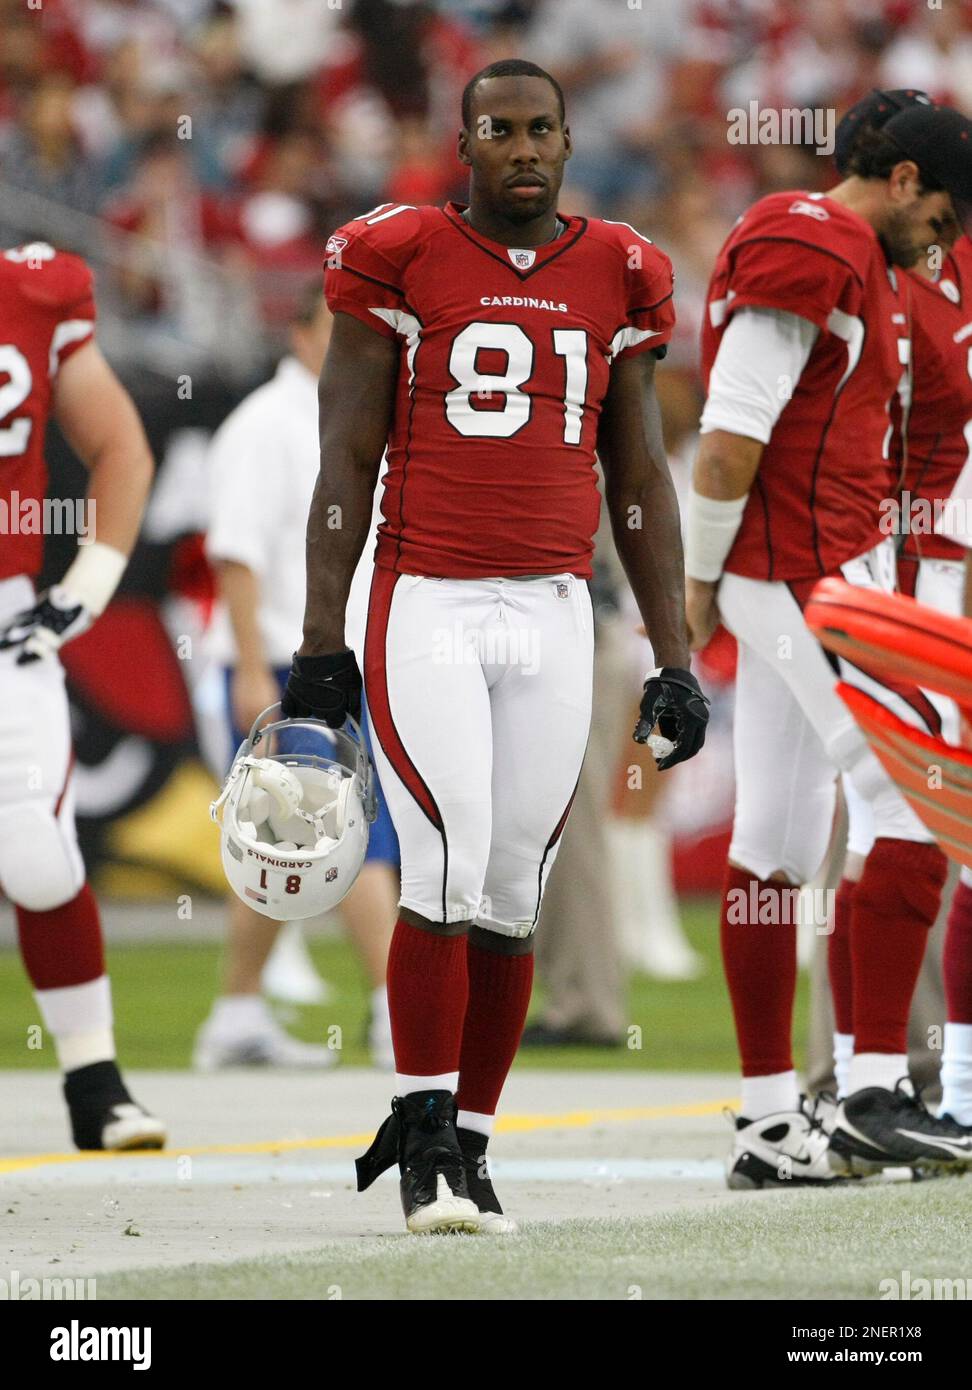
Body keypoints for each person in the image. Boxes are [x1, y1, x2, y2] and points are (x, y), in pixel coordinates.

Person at [281, 58, 709, 1234]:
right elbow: (344, 460)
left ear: (569, 143)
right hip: (431, 595)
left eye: (541, 130)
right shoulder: (400, 252)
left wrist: (675, 653)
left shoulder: (620, 268)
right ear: (462, 144)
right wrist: (323, 640)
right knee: (448, 866)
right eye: (498, 130)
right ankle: (420, 1135)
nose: (521, 149)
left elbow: (640, 479)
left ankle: (469, 1142)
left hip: (558, 607)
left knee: (515, 886)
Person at [685, 101, 972, 1185]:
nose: (940, 240)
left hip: (812, 567)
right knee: (910, 791)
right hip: (791, 570)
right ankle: (867, 1091)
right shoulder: (813, 239)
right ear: (901, 180)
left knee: (776, 836)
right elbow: (727, 441)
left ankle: (768, 1123)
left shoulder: (854, 251)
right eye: (938, 214)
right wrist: (700, 587)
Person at [193, 283, 399, 1071]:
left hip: (333, 654)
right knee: (357, 839)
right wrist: (250, 664)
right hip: (283, 658)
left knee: (283, 850)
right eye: (337, 331)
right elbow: (235, 552)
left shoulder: (345, 414)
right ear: (300, 331)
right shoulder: (265, 425)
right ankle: (391, 1012)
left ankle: (237, 1012)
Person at [824, 91, 972, 1132]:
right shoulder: (844, 253)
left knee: (895, 826)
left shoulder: (941, 260)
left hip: (923, 563)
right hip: (873, 568)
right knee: (888, 819)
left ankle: (880, 1084)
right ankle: (856, 1084)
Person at [0, 239, 164, 1151]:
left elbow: (121, 450)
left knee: (38, 857)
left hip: (7, 617)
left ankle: (94, 1084)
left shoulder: (33, 289)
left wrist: (86, 587)